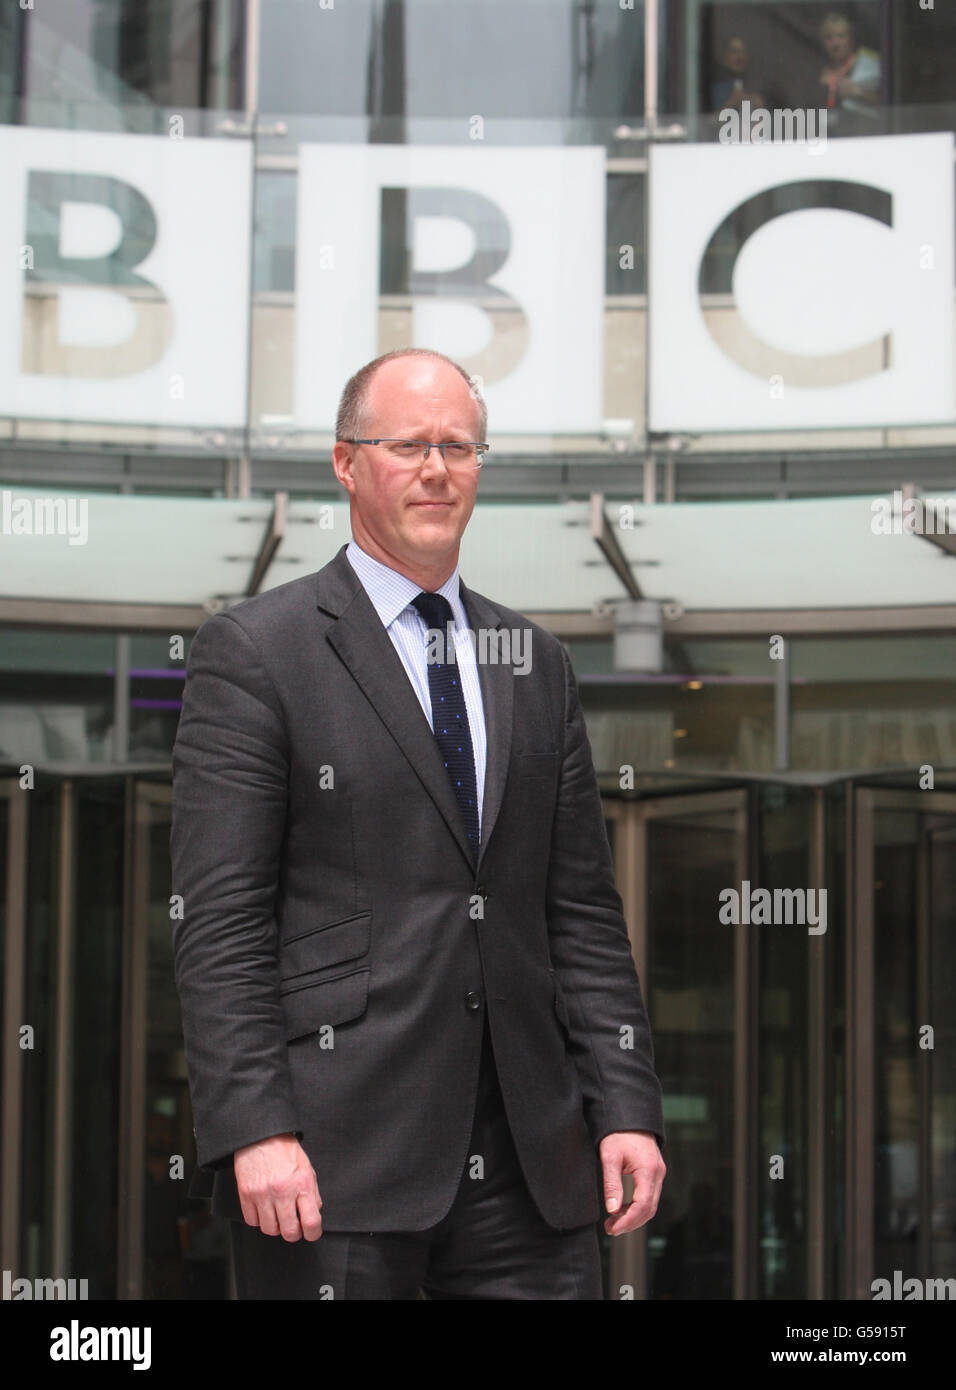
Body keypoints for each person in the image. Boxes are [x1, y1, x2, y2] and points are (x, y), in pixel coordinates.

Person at [171, 347, 666, 1300]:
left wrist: (627, 1105)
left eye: (459, 447)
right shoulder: (258, 653)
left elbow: (584, 916)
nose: (436, 469)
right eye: (406, 444)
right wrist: (254, 1128)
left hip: (531, 1168)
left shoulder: (537, 663)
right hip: (331, 1166)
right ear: (346, 463)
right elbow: (220, 924)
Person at [817, 11, 880, 120]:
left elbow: (892, 104)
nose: (835, 43)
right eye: (829, 38)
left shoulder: (870, 64)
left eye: (841, 36)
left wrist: (858, 92)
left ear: (851, 39)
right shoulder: (820, 70)